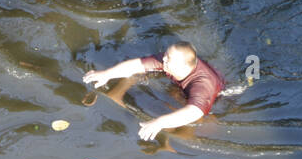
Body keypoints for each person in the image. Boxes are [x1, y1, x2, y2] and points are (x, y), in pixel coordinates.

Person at [82, 41, 225, 140]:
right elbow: (135, 65)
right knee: (145, 76)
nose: (163, 58)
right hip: (182, 84)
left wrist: (159, 122)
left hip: (214, 96)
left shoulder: (203, 85)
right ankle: (116, 96)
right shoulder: (168, 62)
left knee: (200, 122)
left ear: (182, 66)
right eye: (165, 55)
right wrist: (107, 74)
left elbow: (194, 112)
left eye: (168, 59)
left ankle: (182, 139)